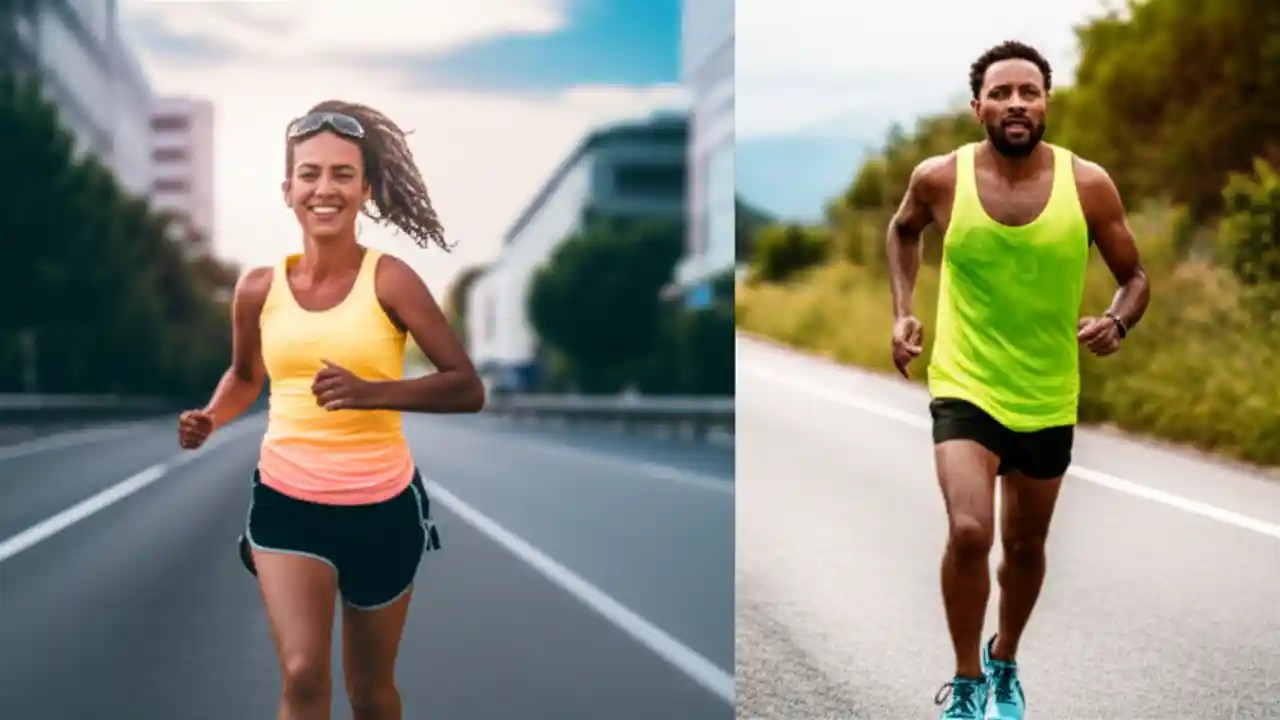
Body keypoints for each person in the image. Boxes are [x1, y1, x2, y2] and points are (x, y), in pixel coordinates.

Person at [176, 100, 485, 720]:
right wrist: (212, 415)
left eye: (343, 175)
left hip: (384, 509)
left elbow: (466, 386)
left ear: (365, 189)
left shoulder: (391, 280)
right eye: (310, 174)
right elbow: (244, 376)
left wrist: (374, 391)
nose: (325, 188)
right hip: (287, 504)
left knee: (371, 693)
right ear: (288, 189)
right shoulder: (258, 289)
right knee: (302, 678)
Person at [885, 41, 1150, 720]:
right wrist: (903, 313)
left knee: (1026, 546)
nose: (1015, 104)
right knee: (971, 531)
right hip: (965, 382)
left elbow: (1135, 278)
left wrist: (1117, 324)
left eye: (1028, 92)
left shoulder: (1088, 184)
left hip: (1046, 391)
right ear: (977, 107)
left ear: (1046, 104)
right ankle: (968, 681)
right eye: (1000, 92)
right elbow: (902, 230)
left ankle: (1005, 663)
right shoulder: (940, 179)